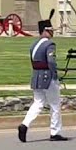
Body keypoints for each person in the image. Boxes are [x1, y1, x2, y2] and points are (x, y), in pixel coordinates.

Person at [19, 11, 66, 143]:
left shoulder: (34, 44)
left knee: (38, 103)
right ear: (45, 31)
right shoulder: (49, 45)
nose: (52, 33)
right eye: (50, 30)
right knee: (55, 104)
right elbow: (51, 61)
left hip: (36, 76)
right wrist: (55, 76)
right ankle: (55, 132)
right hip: (47, 76)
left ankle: (25, 124)